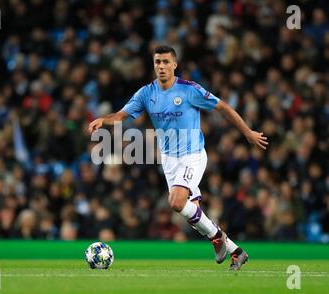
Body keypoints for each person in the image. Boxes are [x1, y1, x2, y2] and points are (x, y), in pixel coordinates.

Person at [88, 46, 268, 270]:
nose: (161, 66)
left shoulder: (189, 90)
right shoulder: (146, 93)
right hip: (169, 160)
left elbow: (222, 107)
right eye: (157, 62)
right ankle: (235, 251)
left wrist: (247, 133)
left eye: (165, 62)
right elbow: (121, 115)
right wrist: (103, 120)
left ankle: (217, 238)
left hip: (192, 155)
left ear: (174, 64)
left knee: (176, 202)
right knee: (189, 210)